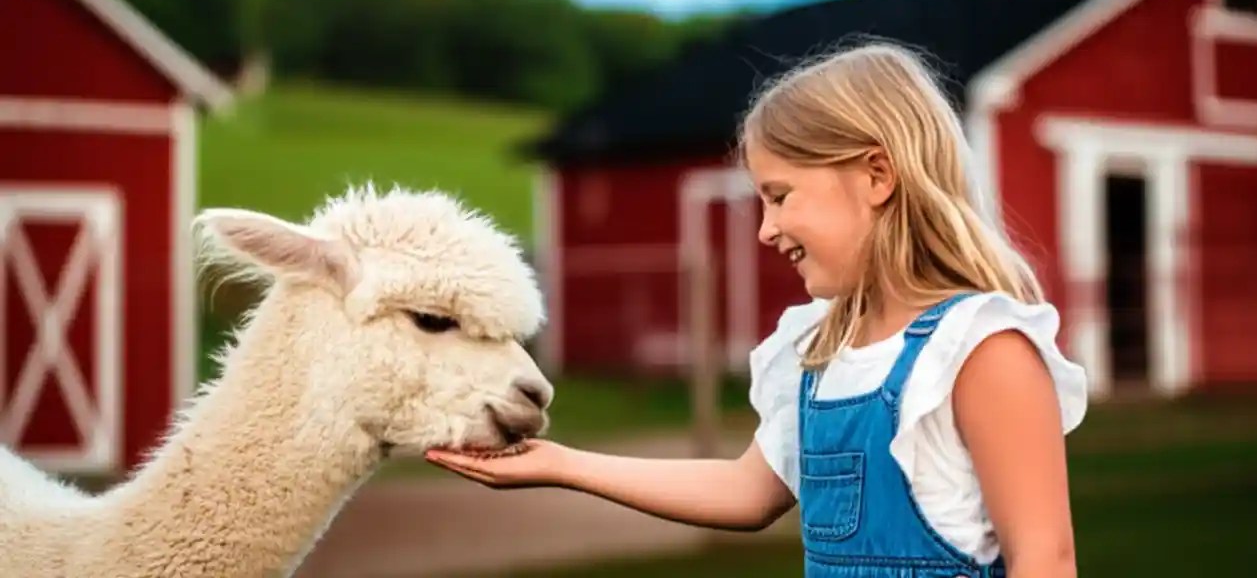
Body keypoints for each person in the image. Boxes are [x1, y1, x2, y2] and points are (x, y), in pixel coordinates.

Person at [426, 41, 1088, 578]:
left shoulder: (980, 350)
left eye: (780, 195)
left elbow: (1045, 557)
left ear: (877, 176)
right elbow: (748, 493)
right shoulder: (821, 351)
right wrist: (562, 464)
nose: (766, 230)